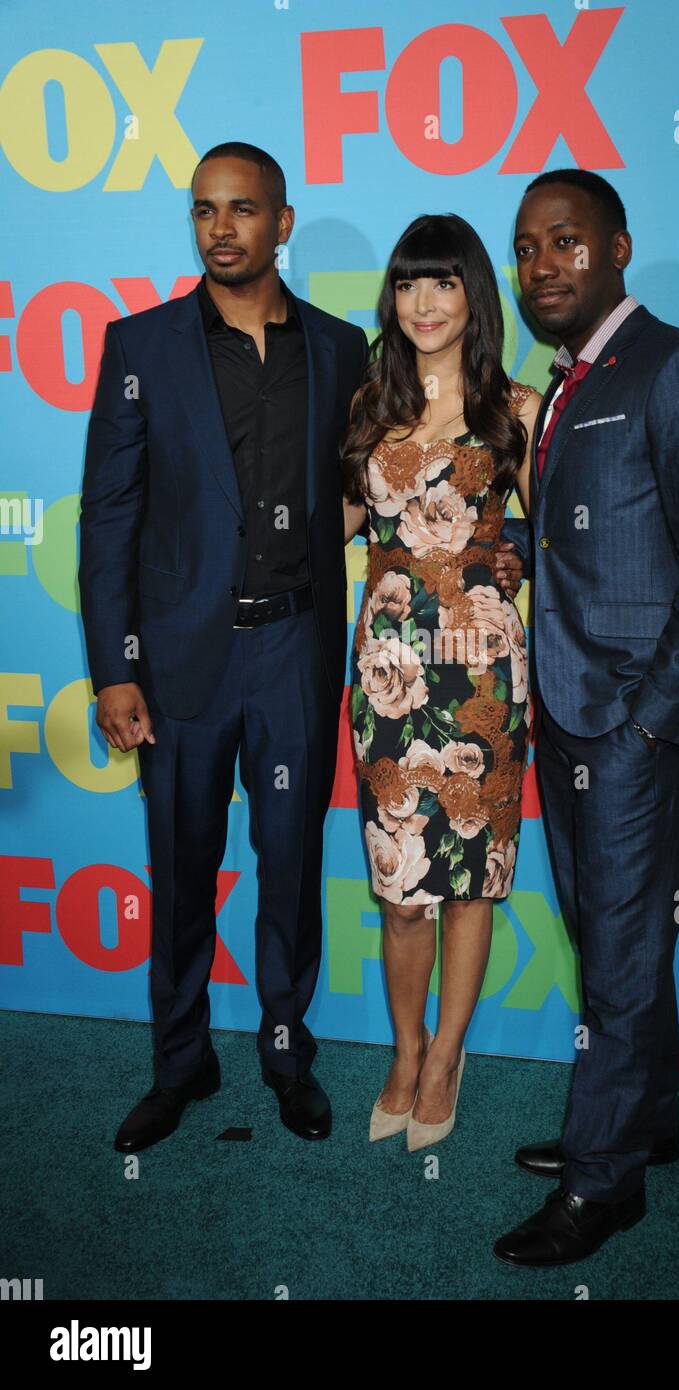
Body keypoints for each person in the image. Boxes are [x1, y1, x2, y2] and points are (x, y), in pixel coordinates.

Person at [493, 170, 679, 1266]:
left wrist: (650, 722)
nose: (542, 265)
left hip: (632, 721)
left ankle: (602, 1187)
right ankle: (644, 1120)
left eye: (565, 242)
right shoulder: (560, 383)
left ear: (617, 248)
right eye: (525, 248)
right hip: (567, 708)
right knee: (619, 934)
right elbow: (574, 545)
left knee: (612, 948)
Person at [78, 142, 369, 1152]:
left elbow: (384, 486)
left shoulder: (341, 350)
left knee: (288, 867)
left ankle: (287, 1054)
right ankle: (179, 1063)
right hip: (178, 659)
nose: (221, 228)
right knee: (182, 867)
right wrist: (114, 669)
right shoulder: (141, 347)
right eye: (205, 209)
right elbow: (109, 518)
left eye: (243, 209)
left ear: (280, 223)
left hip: (291, 650)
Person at [341, 213, 542, 1151]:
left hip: (483, 677)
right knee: (401, 885)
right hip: (388, 671)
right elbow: (332, 528)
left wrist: (509, 558)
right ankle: (405, 1044)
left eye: (444, 283)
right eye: (409, 284)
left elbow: (557, 541)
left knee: (471, 877)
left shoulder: (519, 408)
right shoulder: (367, 410)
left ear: (473, 296)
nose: (423, 304)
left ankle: (447, 1053)